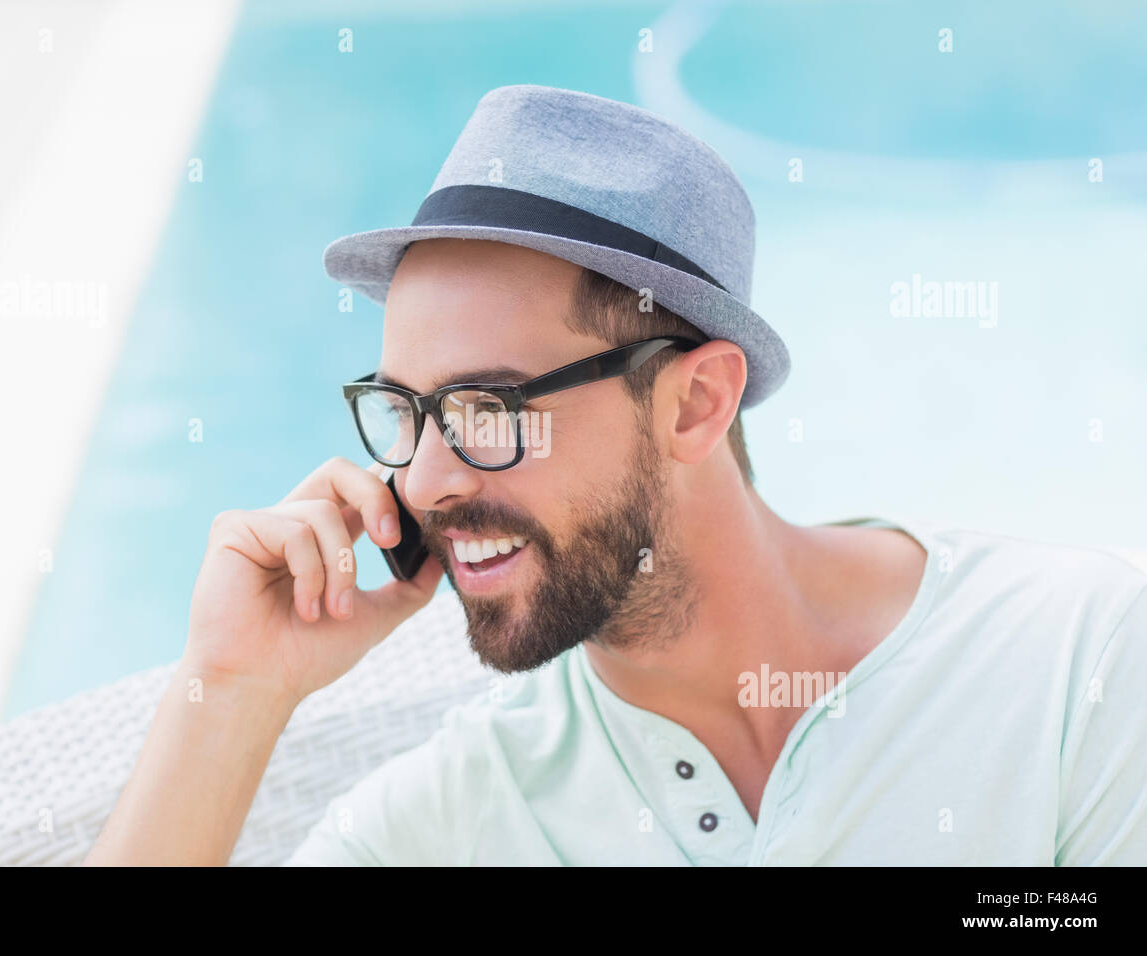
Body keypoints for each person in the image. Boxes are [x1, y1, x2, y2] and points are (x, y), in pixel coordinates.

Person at [84, 85, 1147, 866]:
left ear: (693, 402)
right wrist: (228, 691)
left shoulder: (1079, 665)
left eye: (488, 409)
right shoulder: (465, 812)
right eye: (405, 413)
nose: (426, 480)